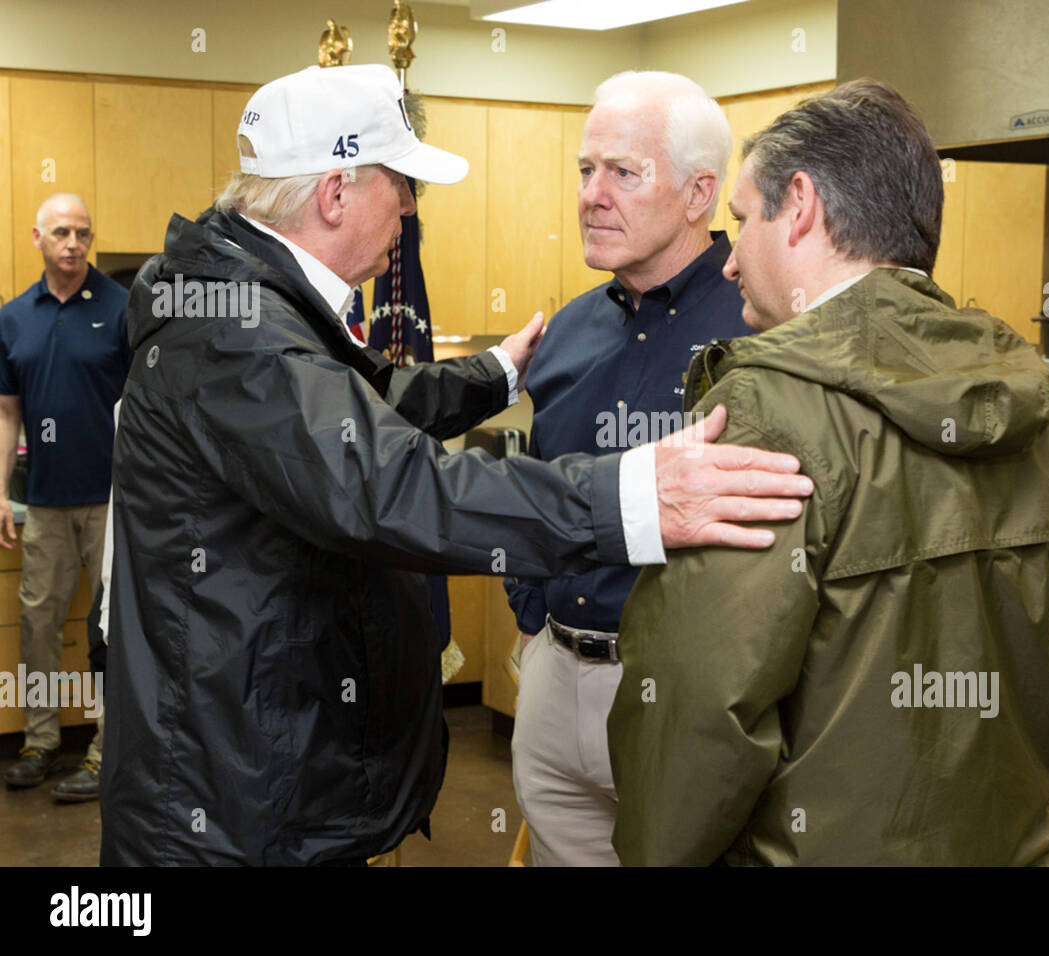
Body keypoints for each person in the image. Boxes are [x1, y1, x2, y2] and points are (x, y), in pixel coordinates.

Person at [99, 63, 812, 866]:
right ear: (336, 194)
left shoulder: (245, 303)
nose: (409, 211)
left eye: (620, 171)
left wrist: (495, 373)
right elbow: (387, 481)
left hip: (250, 773)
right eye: (403, 188)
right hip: (225, 802)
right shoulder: (240, 333)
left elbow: (358, 413)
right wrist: (635, 497)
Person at [607, 79, 1049, 866]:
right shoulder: (1029, 399)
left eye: (741, 221)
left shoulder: (769, 409)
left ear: (798, 205)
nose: (728, 265)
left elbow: (699, 708)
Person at [504, 71, 750, 866]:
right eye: (585, 170)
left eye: (622, 172)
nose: (591, 195)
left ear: (697, 193)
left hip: (678, 691)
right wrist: (531, 613)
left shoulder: (757, 328)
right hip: (554, 673)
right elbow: (534, 486)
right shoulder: (568, 330)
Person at [0, 194, 132, 803]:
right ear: (37, 238)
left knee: (113, 628)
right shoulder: (13, 317)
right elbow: (7, 414)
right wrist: (1, 492)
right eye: (61, 233)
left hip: (113, 500)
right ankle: (41, 741)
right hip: (46, 502)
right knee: (39, 623)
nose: (73, 243)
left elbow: (144, 407)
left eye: (83, 232)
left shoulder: (121, 307)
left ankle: (108, 750)